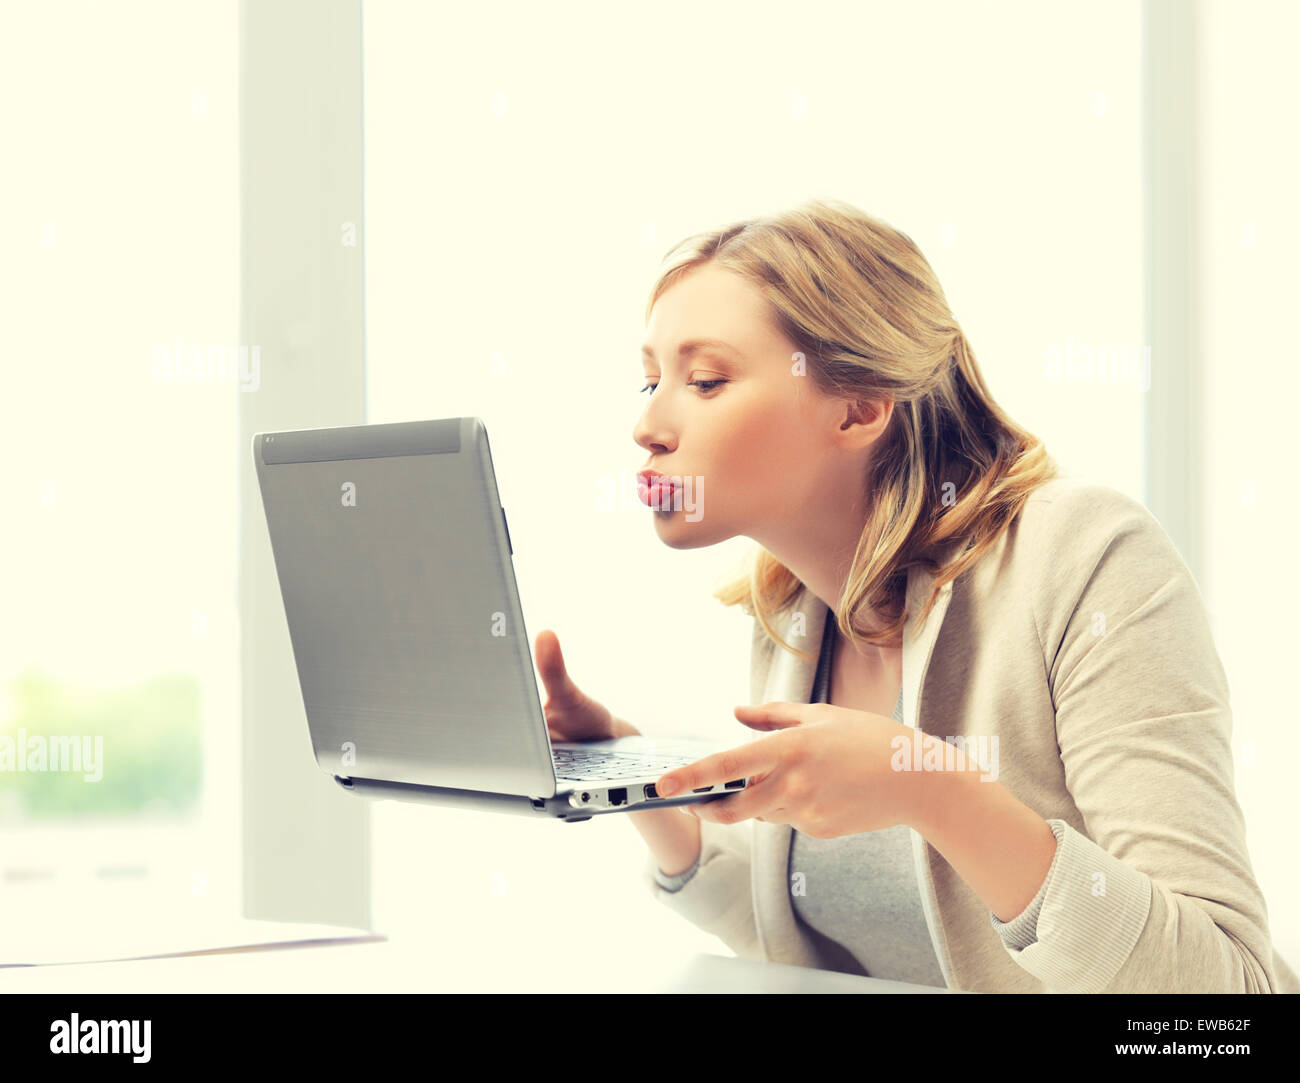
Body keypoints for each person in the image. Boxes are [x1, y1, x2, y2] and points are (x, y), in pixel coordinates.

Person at [534, 198, 1298, 993]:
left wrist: (927, 787)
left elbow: (1225, 997)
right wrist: (632, 778)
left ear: (859, 407)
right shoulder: (796, 613)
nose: (647, 424)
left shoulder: (1087, 555)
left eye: (704, 380)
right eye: (650, 379)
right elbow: (832, 942)